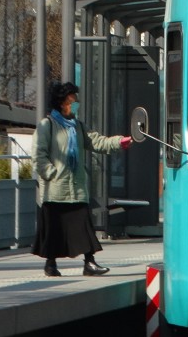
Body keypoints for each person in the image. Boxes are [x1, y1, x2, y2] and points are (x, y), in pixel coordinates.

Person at [33, 81, 132, 276]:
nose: (76, 103)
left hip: (77, 189)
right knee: (53, 229)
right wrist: (52, 174)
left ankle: (89, 263)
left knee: (84, 227)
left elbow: (96, 141)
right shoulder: (47, 125)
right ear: (62, 102)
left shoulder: (77, 126)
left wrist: (119, 142)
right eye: (73, 100)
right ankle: (50, 264)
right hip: (55, 189)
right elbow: (38, 156)